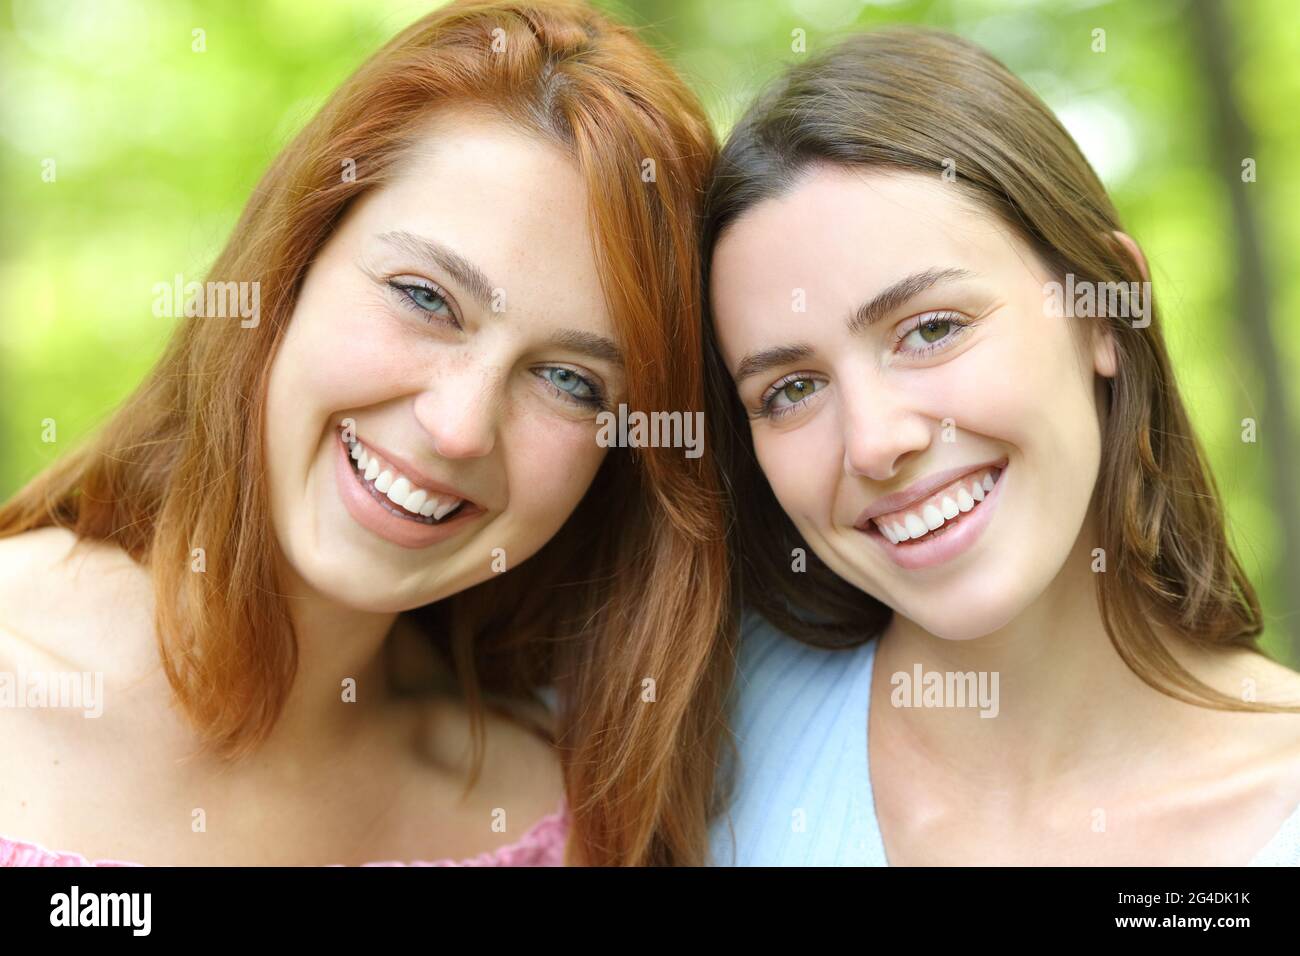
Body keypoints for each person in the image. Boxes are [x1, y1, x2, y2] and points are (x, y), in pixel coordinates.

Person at [0, 0, 728, 867]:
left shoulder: (561, 812)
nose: (458, 428)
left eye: (569, 381)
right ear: (288, 269)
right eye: (426, 299)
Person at [703, 27, 1300, 866]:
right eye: (791, 390)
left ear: (1104, 311)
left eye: (931, 329)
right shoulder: (702, 730)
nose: (874, 443)